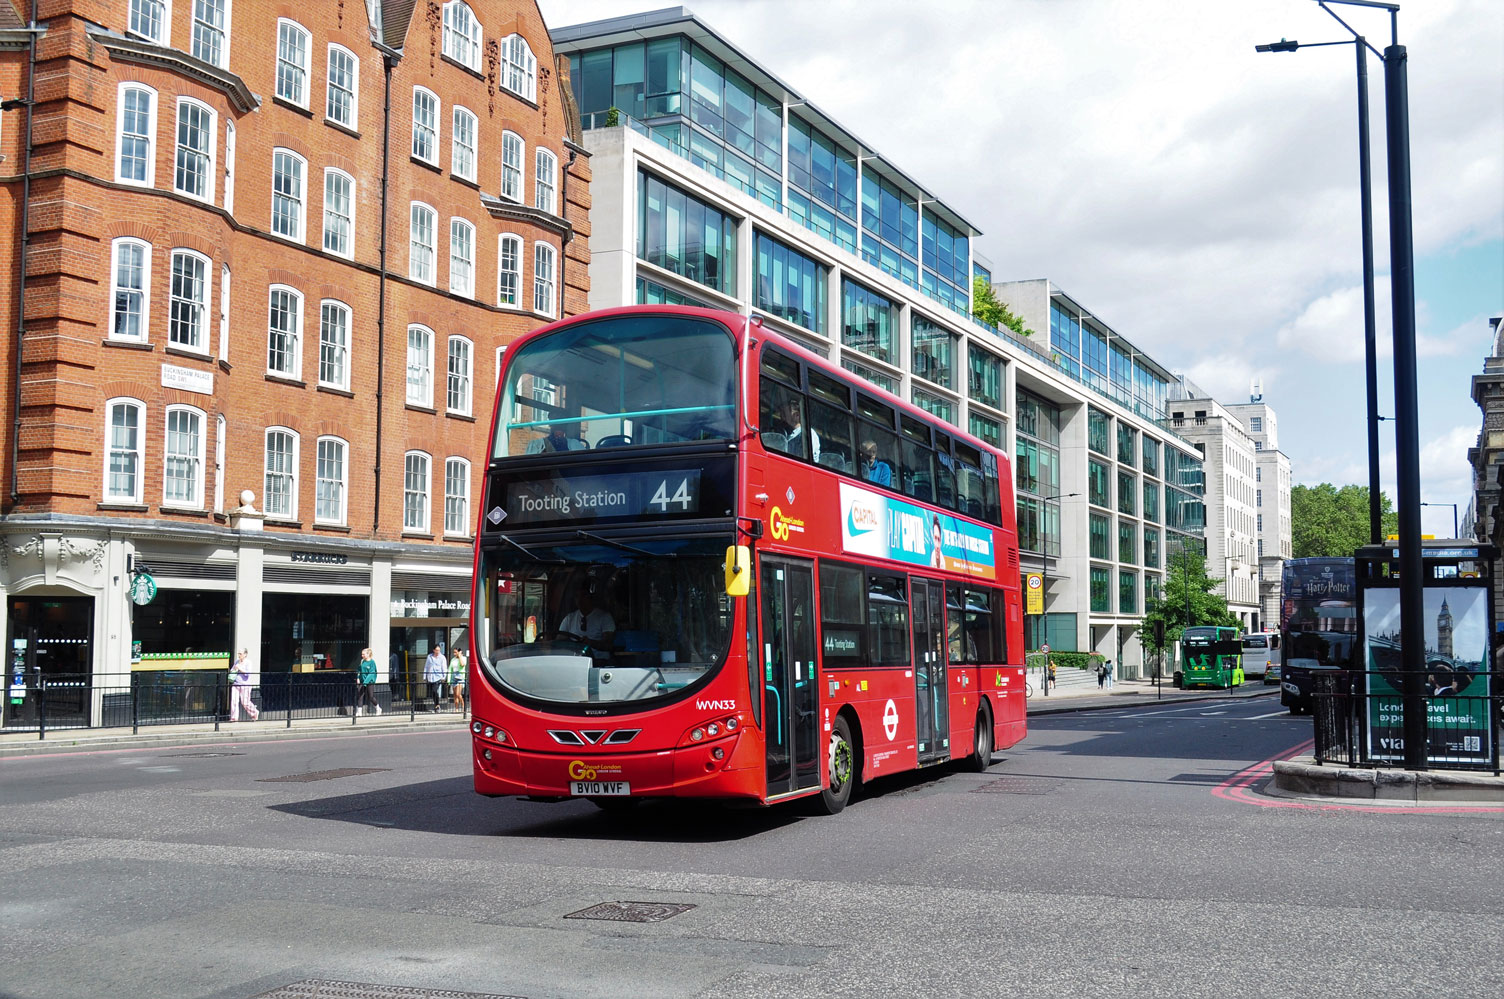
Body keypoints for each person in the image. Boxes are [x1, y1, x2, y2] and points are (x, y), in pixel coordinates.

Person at [557, 585, 616, 660]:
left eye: (584, 595)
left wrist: (590, 643)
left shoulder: (604, 617)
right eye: (577, 596)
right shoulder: (569, 618)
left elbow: (608, 644)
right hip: (575, 662)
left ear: (591, 598)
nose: (580, 599)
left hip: (599, 662)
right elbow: (559, 641)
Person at [229, 648, 259, 722]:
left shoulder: (248, 662)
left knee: (245, 702)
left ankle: (254, 712)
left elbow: (248, 674)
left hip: (245, 684)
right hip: (236, 684)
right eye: (238, 653)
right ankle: (234, 718)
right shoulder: (236, 661)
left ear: (245, 654)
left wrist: (240, 668)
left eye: (240, 654)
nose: (239, 655)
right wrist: (234, 669)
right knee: (234, 701)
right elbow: (232, 670)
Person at [356, 647, 380, 716]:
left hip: (369, 682)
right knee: (360, 695)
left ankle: (378, 708)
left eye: (363, 654)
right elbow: (359, 670)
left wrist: (365, 682)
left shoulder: (372, 662)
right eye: (362, 654)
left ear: (368, 654)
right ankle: (359, 712)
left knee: (371, 696)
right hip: (362, 681)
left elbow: (371, 673)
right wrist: (358, 677)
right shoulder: (362, 661)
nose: (362, 656)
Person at [424, 643, 447, 711]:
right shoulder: (429, 657)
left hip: (438, 677)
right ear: (433, 650)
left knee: (434, 690)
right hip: (430, 677)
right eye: (436, 650)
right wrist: (424, 677)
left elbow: (444, 667)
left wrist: (444, 676)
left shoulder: (442, 657)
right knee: (433, 692)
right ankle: (436, 705)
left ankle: (437, 705)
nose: (438, 652)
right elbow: (426, 667)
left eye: (439, 650)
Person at [448, 646, 468, 717]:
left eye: (456, 652)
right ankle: (456, 708)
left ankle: (463, 705)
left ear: (459, 652)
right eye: (454, 652)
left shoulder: (463, 658)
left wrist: (460, 657)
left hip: (460, 677)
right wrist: (449, 679)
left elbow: (462, 665)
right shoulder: (453, 659)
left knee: (458, 693)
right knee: (454, 695)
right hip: (453, 676)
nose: (454, 654)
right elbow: (450, 669)